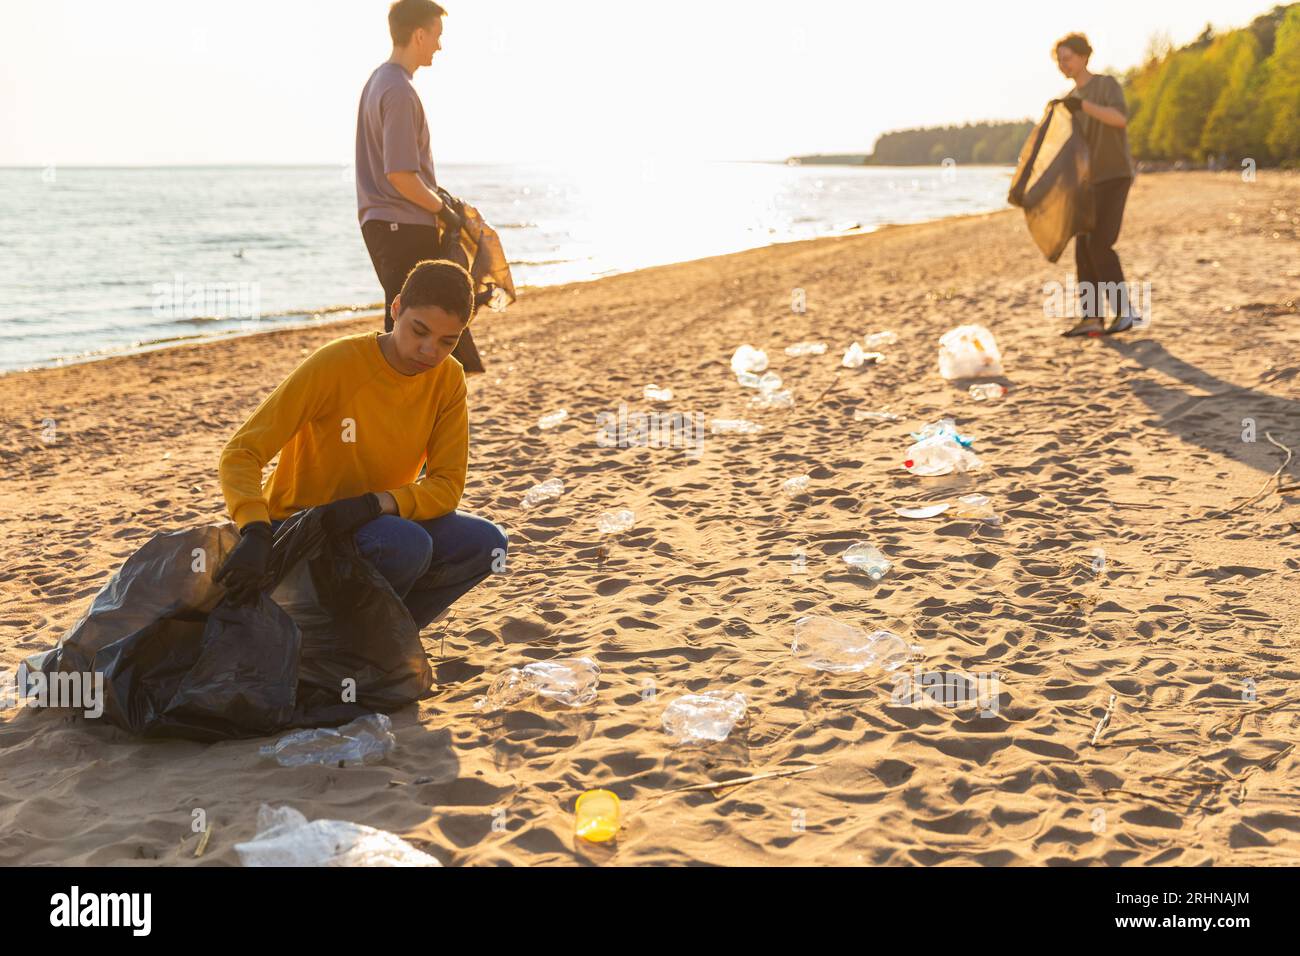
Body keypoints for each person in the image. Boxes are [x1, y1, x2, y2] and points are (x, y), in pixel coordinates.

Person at [214, 259, 506, 631]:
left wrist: (375, 503)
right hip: (302, 523)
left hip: (375, 518)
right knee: (406, 544)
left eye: (448, 341)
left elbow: (447, 485)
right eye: (419, 331)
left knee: (486, 542)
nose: (429, 351)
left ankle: (389, 638)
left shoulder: (448, 379)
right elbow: (242, 452)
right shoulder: (336, 363)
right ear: (396, 308)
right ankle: (340, 639)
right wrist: (254, 529)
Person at [355, 0, 486, 372]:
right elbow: (399, 175)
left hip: (388, 222)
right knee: (411, 328)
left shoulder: (380, 81)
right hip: (401, 224)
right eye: (438, 36)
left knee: (407, 326)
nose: (439, 46)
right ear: (419, 35)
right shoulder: (397, 90)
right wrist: (442, 210)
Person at [1054, 33, 1139, 337]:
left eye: (1067, 58)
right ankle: (1091, 318)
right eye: (1059, 61)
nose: (1063, 65)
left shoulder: (1105, 85)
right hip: (1087, 184)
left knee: (1100, 244)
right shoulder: (1068, 101)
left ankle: (1125, 312)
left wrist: (1083, 106)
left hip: (1115, 175)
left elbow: (1119, 120)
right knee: (1082, 247)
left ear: (1084, 56)